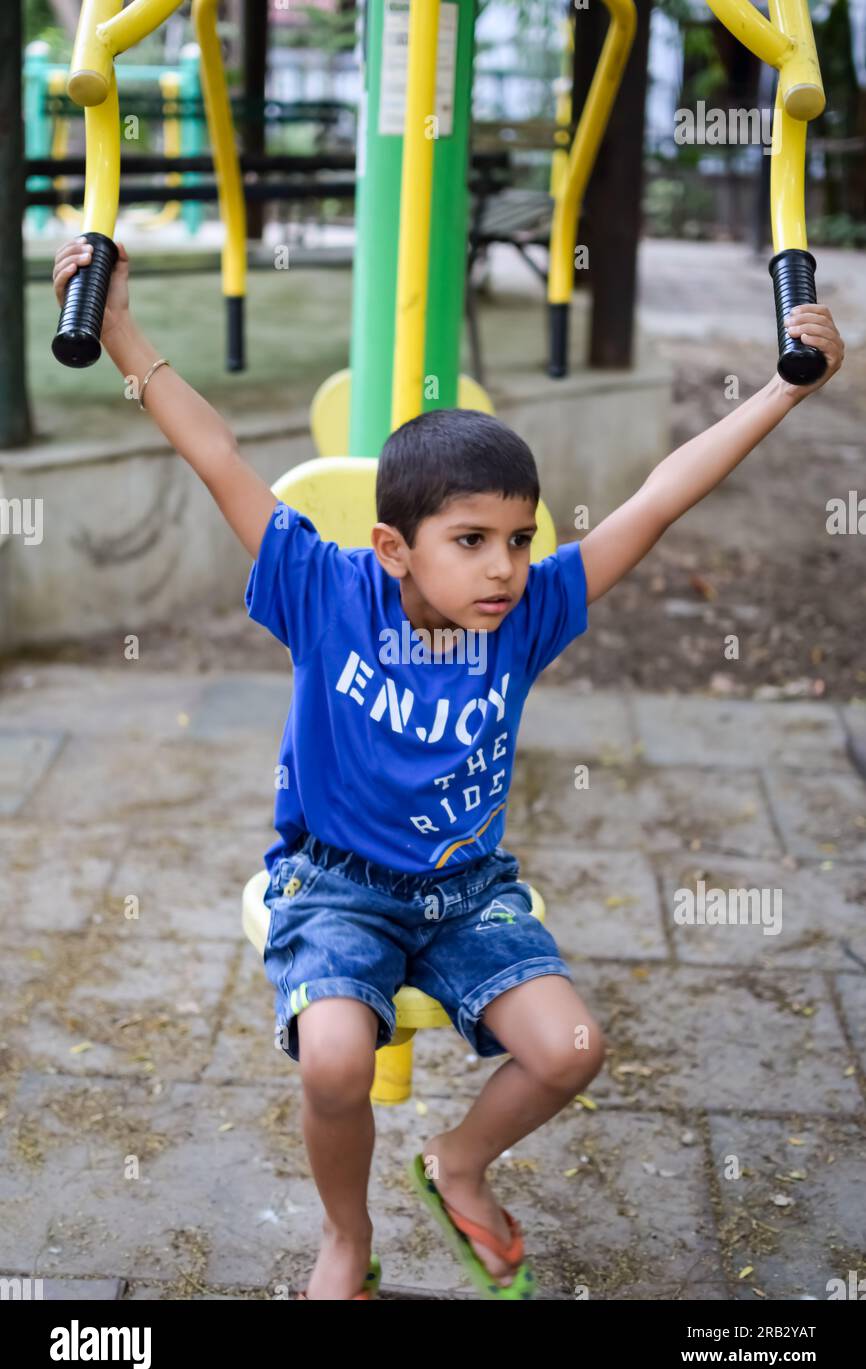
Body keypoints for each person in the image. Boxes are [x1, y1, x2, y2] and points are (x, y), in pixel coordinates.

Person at [53, 235, 845, 1300]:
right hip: (335, 884)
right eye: (469, 540)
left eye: (518, 539)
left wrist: (784, 394)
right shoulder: (323, 590)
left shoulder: (529, 613)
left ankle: (456, 1162)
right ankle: (343, 1239)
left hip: (467, 890)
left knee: (571, 1047)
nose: (504, 568)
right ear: (393, 548)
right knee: (334, 1059)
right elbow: (216, 454)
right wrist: (119, 331)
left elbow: (657, 499)